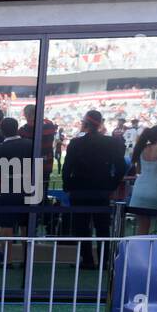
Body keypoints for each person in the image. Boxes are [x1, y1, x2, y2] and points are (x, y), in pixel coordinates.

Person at [62, 110, 127, 268]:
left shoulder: (76, 143)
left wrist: (68, 185)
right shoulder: (110, 142)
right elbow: (121, 166)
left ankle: (87, 260)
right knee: (102, 227)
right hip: (101, 190)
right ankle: (104, 261)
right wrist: (112, 184)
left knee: (82, 228)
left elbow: (67, 168)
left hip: (79, 190)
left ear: (85, 123)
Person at [128, 125, 157, 235]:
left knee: (143, 228)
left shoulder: (142, 148)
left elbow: (139, 170)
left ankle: (141, 252)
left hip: (139, 191)